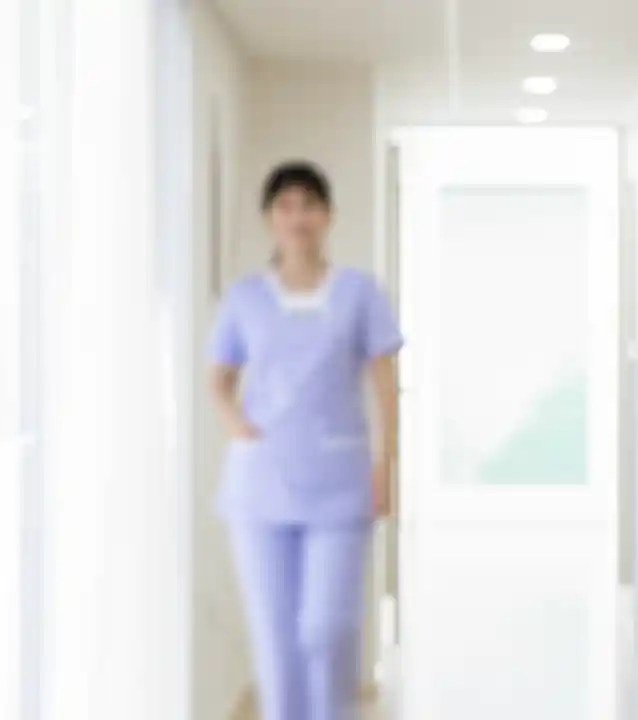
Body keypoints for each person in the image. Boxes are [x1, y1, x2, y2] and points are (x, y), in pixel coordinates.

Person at [210, 161, 402, 719]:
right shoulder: (245, 298)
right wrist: (236, 425)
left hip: (340, 485)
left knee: (326, 626)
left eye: (309, 204)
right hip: (259, 486)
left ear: (329, 215)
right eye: (286, 206)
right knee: (275, 637)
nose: (299, 217)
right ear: (270, 219)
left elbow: (385, 383)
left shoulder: (360, 293)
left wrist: (386, 466)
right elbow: (218, 378)